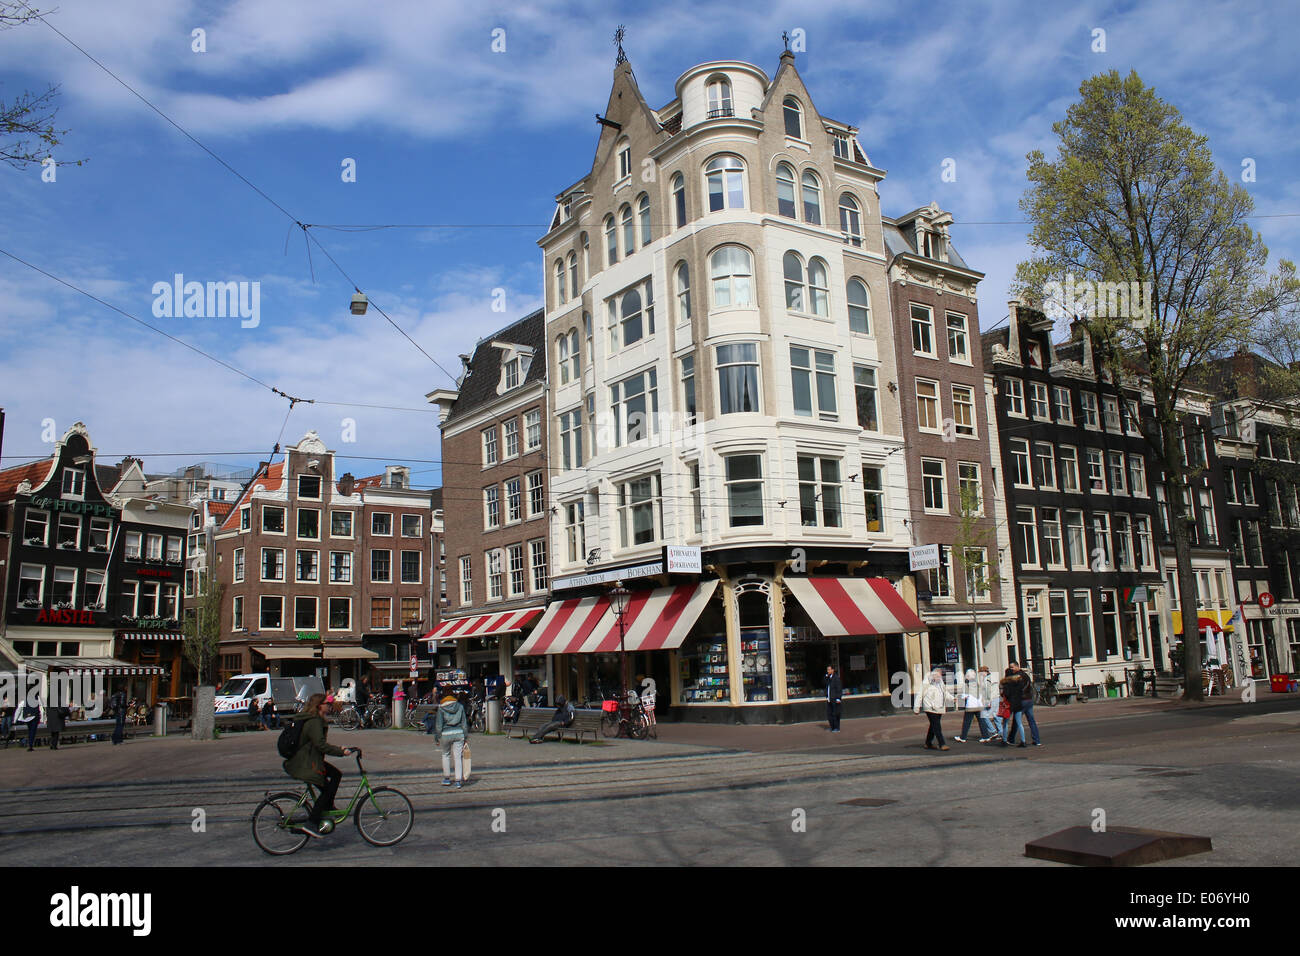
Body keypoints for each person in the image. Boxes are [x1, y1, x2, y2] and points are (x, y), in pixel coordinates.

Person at [282, 693, 356, 837]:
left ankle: (327, 806)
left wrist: (339, 748)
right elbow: (320, 745)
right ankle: (312, 823)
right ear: (319, 706)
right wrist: (341, 752)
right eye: (327, 704)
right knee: (327, 790)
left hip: (310, 760)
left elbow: (318, 744)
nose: (329, 706)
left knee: (336, 774)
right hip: (306, 763)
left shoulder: (315, 719)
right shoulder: (314, 721)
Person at [914, 669, 955, 751]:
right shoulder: (926, 683)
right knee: (937, 725)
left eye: (940, 676)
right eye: (937, 676)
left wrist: (952, 698)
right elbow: (919, 695)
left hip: (939, 707)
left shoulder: (940, 683)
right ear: (933, 675)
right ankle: (942, 744)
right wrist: (916, 707)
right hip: (930, 707)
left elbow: (944, 692)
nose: (939, 677)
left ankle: (928, 743)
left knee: (933, 725)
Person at [434, 693, 468, 788]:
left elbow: (439, 724)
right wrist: (465, 737)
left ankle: (447, 778)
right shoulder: (460, 707)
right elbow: (464, 723)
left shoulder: (441, 708)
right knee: (458, 757)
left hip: (445, 734)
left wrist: (437, 737)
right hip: (458, 733)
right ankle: (458, 780)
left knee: (445, 755)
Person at [954, 668, 994, 743]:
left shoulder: (966, 684)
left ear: (967, 676)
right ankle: (986, 736)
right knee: (981, 721)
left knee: (967, 722)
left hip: (970, 705)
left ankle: (963, 737)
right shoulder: (977, 683)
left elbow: (964, 696)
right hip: (979, 705)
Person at [1010, 662, 1042, 747]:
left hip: (1021, 700)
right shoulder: (1026, 675)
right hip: (1029, 700)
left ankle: (1012, 739)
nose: (1011, 669)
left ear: (1017, 666)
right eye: (1010, 667)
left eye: (1012, 667)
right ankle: (1037, 740)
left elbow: (1016, 689)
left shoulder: (1017, 676)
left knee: (1016, 720)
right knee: (1031, 720)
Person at [999, 666, 1028, 747]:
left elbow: (1006, 694)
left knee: (1005, 723)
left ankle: (1004, 740)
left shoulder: (1006, 683)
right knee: (1019, 723)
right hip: (1018, 703)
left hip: (1009, 704)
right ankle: (1023, 741)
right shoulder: (1018, 681)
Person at [977, 665, 1003, 743]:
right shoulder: (994, 677)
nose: (980, 675)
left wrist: (988, 701)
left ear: (984, 672)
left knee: (984, 715)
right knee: (996, 716)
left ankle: (992, 731)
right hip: (997, 698)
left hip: (990, 699)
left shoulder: (986, 680)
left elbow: (988, 691)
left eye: (981, 673)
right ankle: (1001, 733)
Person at [825, 665, 843, 732]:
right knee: (829, 714)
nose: (828, 671)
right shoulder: (828, 678)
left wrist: (838, 698)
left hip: (835, 698)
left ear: (833, 670)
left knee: (835, 713)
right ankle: (832, 727)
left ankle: (837, 728)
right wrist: (826, 677)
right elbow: (824, 684)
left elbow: (839, 688)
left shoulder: (836, 678)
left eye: (829, 670)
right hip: (829, 699)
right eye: (827, 670)